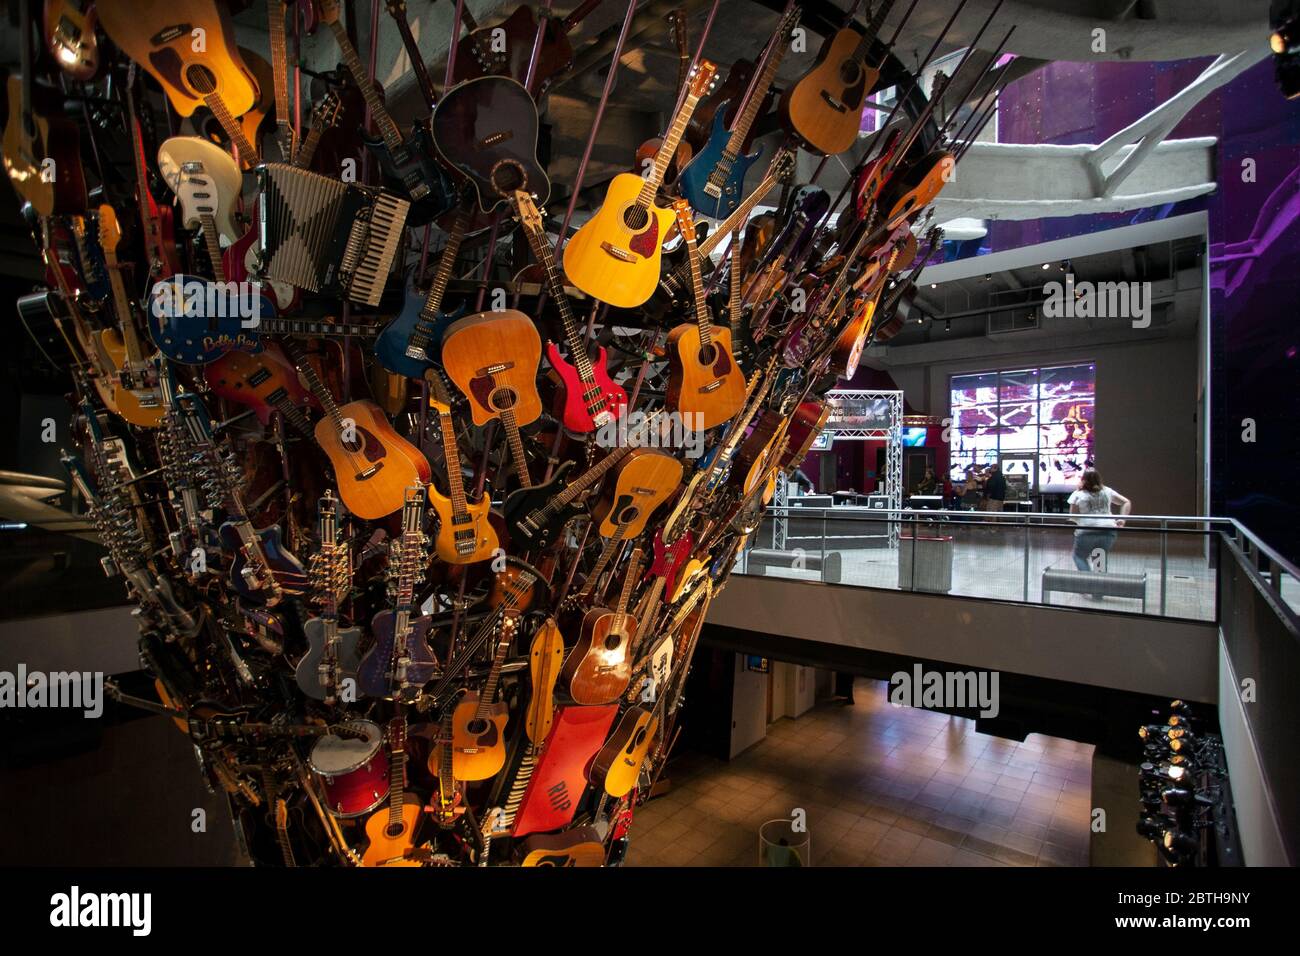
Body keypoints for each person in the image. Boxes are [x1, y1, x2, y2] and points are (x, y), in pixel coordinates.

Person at [1067, 469, 1132, 574]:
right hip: (1108, 529)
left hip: (1086, 530)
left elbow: (1073, 516)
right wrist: (1122, 519)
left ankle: (1088, 583)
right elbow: (1126, 502)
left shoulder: (1077, 494)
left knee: (1079, 556)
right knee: (1099, 557)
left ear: (1083, 479)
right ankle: (1099, 584)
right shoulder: (1107, 491)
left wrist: (1081, 522)